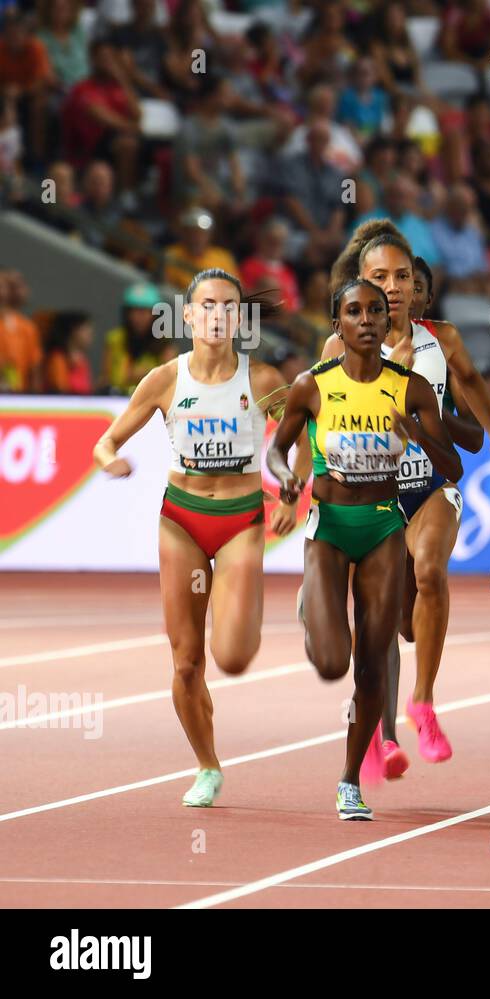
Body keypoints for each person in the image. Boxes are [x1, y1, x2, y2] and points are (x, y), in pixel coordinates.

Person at [92, 269, 308, 808]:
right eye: (206, 305)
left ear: (241, 318)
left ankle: (239, 628)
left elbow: (303, 441)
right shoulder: (165, 379)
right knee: (186, 662)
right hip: (181, 521)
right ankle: (207, 766)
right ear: (188, 315)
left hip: (240, 522)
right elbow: (106, 440)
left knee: (231, 655)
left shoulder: (261, 382)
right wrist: (110, 461)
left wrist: (291, 493)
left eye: (228, 307)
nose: (216, 315)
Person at [323, 221, 490, 778]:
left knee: (430, 571)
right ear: (361, 282)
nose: (395, 286)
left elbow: (474, 384)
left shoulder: (441, 339)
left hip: (430, 486)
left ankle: (423, 703)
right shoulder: (338, 345)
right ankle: (381, 735)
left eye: (403, 275)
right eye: (380, 276)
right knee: (387, 620)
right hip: (370, 494)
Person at [269, 278, 462, 819]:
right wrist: (285, 478)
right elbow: (278, 451)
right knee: (332, 662)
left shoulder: (412, 386)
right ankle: (317, 613)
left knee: (372, 665)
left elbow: (454, 468)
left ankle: (350, 780)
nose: (368, 319)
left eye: (376, 310)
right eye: (355, 311)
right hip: (329, 526)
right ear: (339, 325)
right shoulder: (312, 385)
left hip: (382, 526)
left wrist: (420, 436)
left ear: (385, 321)